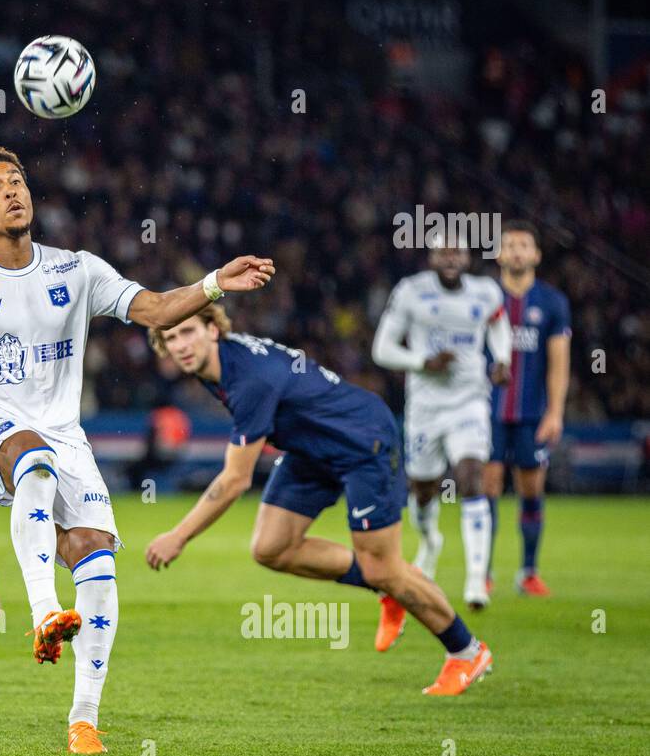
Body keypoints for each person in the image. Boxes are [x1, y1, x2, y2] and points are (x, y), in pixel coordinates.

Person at [0, 145, 275, 753]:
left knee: (96, 563)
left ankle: (84, 721)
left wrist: (213, 285)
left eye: (17, 181)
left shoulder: (77, 270)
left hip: (68, 438)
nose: (12, 191)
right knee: (33, 459)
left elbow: (151, 307)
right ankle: (44, 610)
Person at [145, 307, 493, 695]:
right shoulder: (218, 364)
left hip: (362, 444)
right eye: (170, 338)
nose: (180, 345)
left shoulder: (247, 379)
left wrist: (178, 536)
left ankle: (465, 650)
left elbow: (234, 480)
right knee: (271, 547)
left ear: (213, 329)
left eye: (187, 332)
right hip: (310, 449)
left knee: (383, 567)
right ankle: (390, 583)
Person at [372, 237, 512, 609]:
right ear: (431, 258)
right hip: (426, 408)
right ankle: (431, 542)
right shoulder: (411, 292)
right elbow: (382, 349)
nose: (450, 258)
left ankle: (476, 580)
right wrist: (423, 362)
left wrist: (501, 359)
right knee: (422, 488)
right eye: (442, 253)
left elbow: (499, 327)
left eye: (457, 252)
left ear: (467, 258)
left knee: (470, 478)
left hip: (470, 402)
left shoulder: (486, 293)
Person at [485, 220, 570, 596]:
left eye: (524, 245)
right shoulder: (484, 298)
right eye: (510, 245)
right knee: (485, 489)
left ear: (535, 254)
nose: (517, 251)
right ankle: (481, 574)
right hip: (487, 412)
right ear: (500, 254)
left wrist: (555, 412)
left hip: (532, 413)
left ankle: (528, 572)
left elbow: (559, 362)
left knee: (531, 488)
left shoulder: (552, 302)